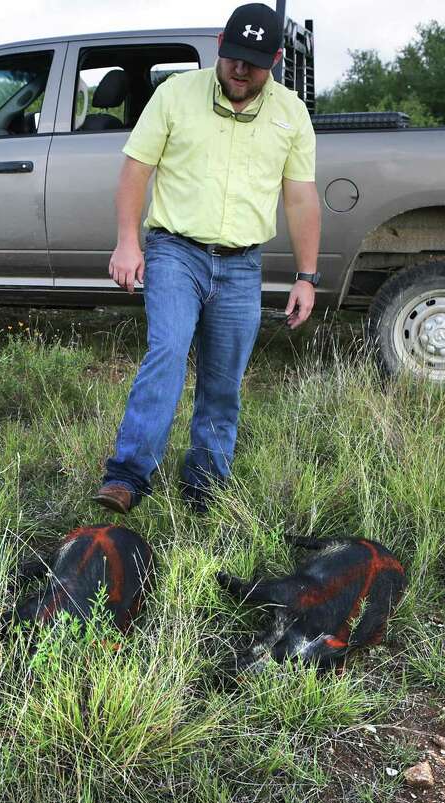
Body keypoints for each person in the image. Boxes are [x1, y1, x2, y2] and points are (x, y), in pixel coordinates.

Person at [92, 2, 321, 516]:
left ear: (276, 59)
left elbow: (301, 197)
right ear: (221, 44)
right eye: (234, 56)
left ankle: (205, 484)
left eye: (254, 62)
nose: (241, 70)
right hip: (176, 250)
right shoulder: (176, 95)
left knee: (224, 376)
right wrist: (128, 241)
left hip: (242, 265)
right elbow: (136, 170)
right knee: (168, 353)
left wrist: (307, 275)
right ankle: (128, 476)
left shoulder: (291, 114)